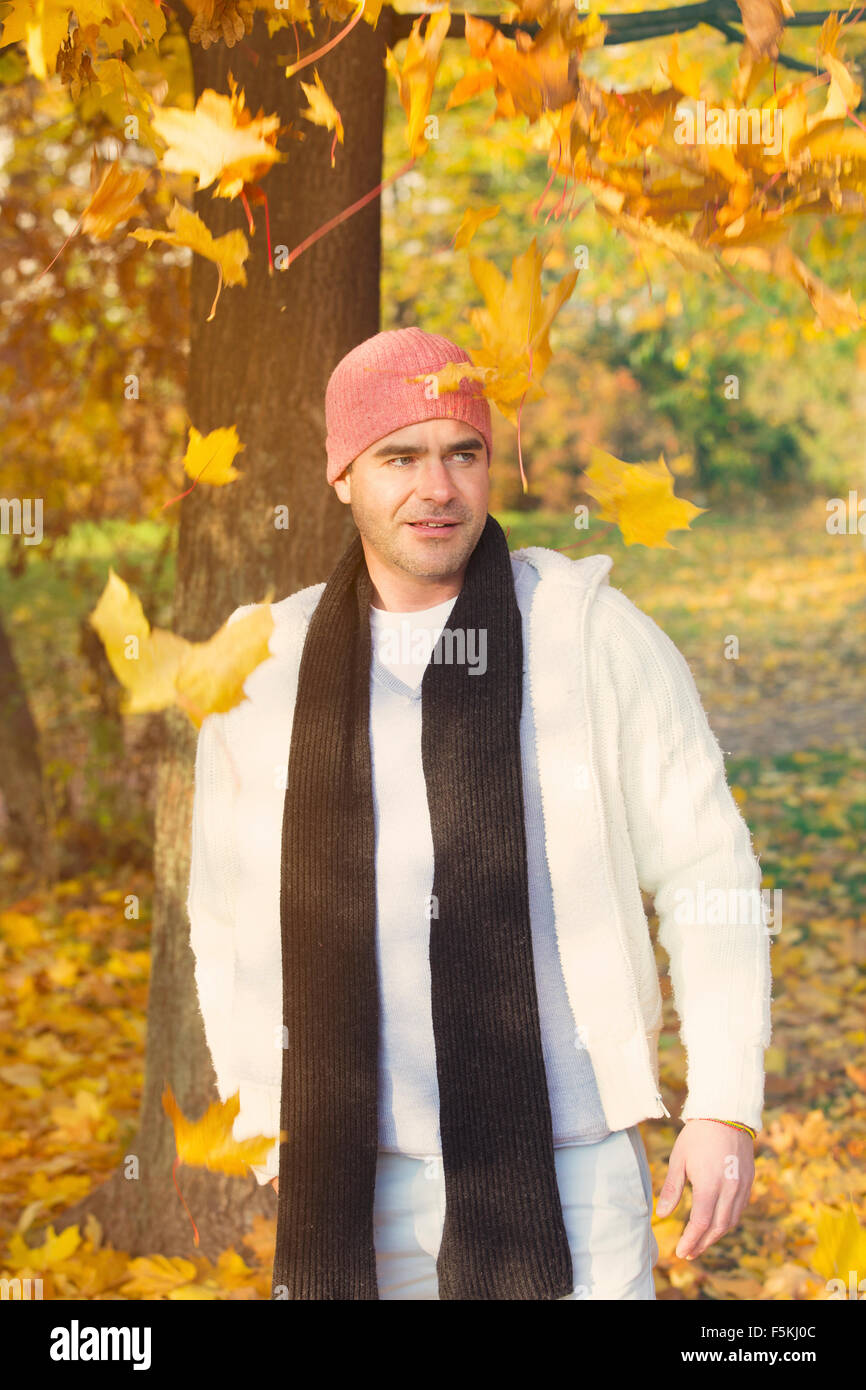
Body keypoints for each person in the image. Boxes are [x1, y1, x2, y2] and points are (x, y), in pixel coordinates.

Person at [187, 327, 772, 1301]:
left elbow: (705, 867)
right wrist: (260, 1120)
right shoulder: (264, 667)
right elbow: (224, 917)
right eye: (399, 457)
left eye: (462, 453)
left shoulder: (582, 634)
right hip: (349, 1174)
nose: (437, 488)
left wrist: (721, 1103)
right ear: (341, 474)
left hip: (570, 1167)